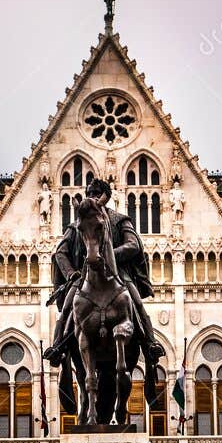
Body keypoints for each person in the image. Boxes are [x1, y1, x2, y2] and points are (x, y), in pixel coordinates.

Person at [44, 175, 162, 412]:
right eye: (90, 194)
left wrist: (110, 257)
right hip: (84, 277)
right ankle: (58, 346)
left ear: (105, 198)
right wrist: (70, 275)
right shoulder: (77, 225)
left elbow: (133, 245)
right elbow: (61, 253)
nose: (93, 198)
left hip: (117, 276)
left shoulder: (119, 220)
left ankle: (150, 343)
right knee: (68, 305)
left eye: (97, 194)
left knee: (135, 301)